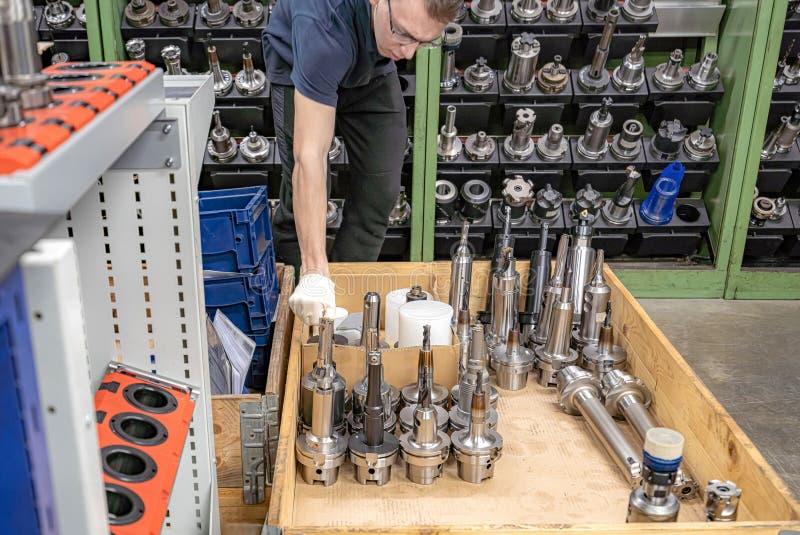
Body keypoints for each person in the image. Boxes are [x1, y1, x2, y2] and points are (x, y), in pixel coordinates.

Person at [262, 0, 460, 325]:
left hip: (371, 64)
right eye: (404, 34)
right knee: (306, 185)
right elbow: (310, 156)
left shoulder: (395, 35)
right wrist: (314, 270)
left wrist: (397, 36)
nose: (409, 53)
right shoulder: (323, 28)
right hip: (301, 62)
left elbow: (402, 40)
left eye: (423, 42)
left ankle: (340, 311)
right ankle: (301, 305)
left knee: (380, 190)